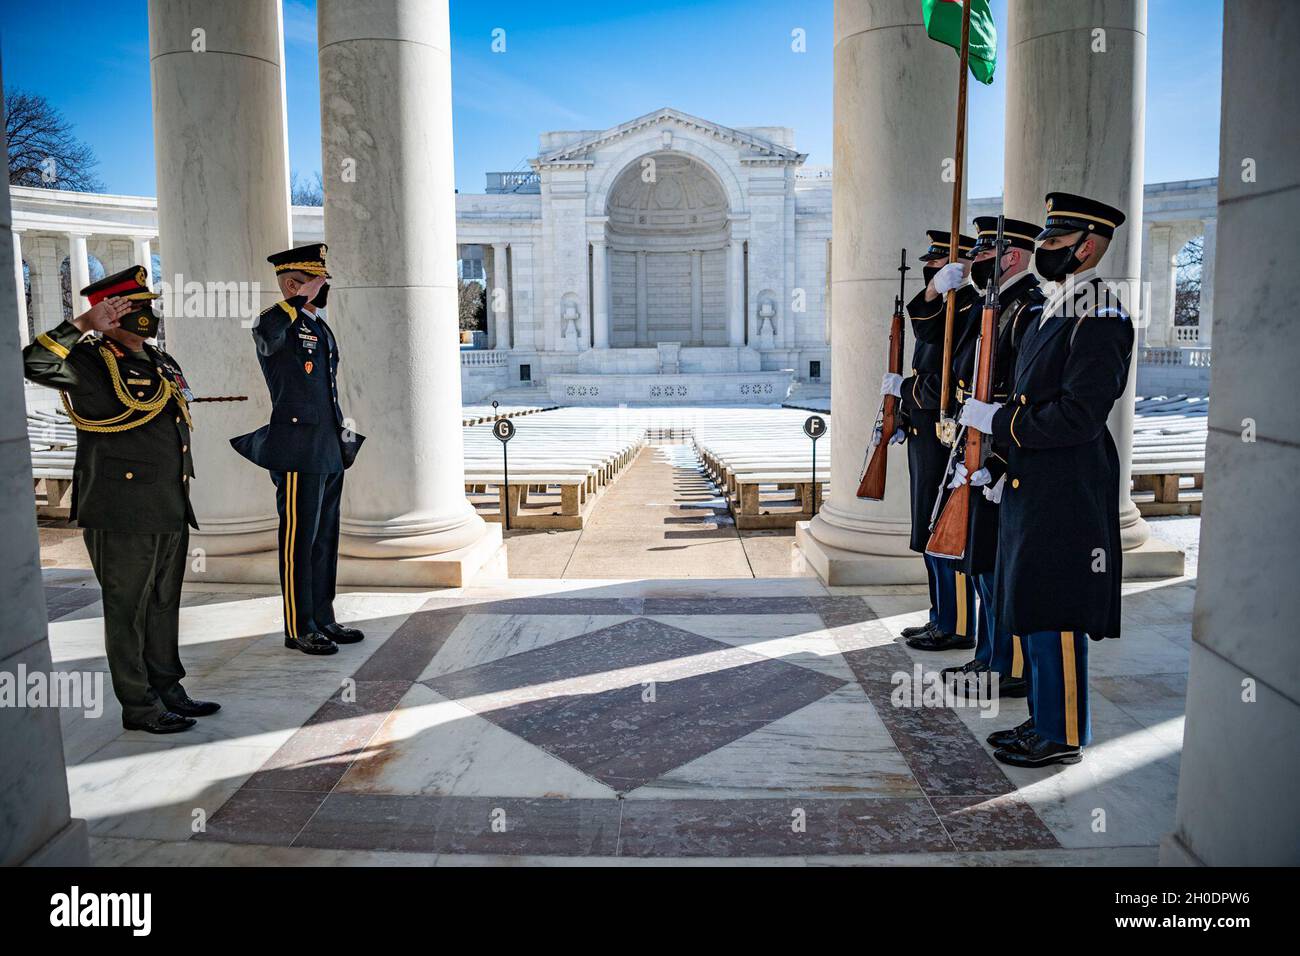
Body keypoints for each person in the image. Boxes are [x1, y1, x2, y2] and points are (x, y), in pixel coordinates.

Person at [959, 193, 1133, 767]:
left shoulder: (1102, 313)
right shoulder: (1058, 308)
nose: (1043, 254)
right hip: (1032, 477)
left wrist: (1001, 421)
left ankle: (1062, 736)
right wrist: (998, 460)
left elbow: (1079, 415)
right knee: (1030, 601)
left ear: (1087, 247)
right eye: (1042, 245)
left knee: (1056, 607)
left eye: (1055, 245)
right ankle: (1042, 718)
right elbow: (1033, 398)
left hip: (1067, 485)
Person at [23, 266, 219, 733]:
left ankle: (169, 688)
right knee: (127, 608)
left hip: (168, 502)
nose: (145, 314)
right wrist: (84, 325)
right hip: (121, 505)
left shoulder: (159, 360)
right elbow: (33, 362)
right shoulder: (91, 360)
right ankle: (140, 705)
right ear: (110, 314)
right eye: (132, 307)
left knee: (162, 603)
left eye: (147, 304)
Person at [232, 244, 366, 655]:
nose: (326, 285)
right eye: (316, 279)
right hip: (296, 449)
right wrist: (291, 303)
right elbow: (265, 335)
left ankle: (324, 618)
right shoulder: (280, 324)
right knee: (299, 539)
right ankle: (299, 625)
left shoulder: (320, 327)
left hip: (327, 445)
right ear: (294, 284)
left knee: (324, 538)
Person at [937, 216, 1045, 699]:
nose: (973, 263)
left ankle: (1011, 665)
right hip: (976, 449)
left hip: (1001, 457)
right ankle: (989, 655)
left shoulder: (1029, 310)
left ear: (1013, 257)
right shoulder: (993, 306)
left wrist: (997, 462)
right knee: (981, 564)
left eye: (982, 256)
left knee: (1001, 569)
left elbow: (1025, 394)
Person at [882, 230, 979, 652]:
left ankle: (956, 624)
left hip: (945, 438)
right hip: (925, 437)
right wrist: (903, 417)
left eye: (939, 265)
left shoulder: (971, 310)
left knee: (946, 530)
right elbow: (923, 341)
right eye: (932, 264)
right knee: (928, 526)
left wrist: (904, 391)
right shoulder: (945, 310)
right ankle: (940, 614)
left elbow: (947, 384)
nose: (932, 270)